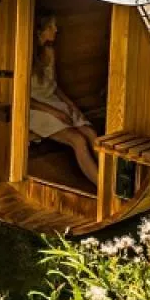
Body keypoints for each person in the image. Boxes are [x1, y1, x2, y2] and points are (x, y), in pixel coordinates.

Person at [29, 15, 99, 185]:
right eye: (51, 26)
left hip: (53, 102)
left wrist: (70, 104)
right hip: (34, 108)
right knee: (78, 141)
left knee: (91, 134)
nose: (56, 30)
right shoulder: (25, 56)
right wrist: (56, 112)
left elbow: (54, 86)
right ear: (40, 31)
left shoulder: (49, 51)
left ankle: (111, 178)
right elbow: (24, 98)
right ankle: (103, 187)